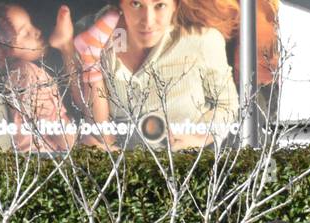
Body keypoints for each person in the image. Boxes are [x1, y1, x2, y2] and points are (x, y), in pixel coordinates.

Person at [54, 0, 238, 149]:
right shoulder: (92, 31)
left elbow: (228, 105)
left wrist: (198, 137)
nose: (148, 21)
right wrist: (67, 51)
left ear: (176, 5)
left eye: (160, 6)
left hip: (182, 170)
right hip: (115, 168)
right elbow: (81, 106)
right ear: (121, 4)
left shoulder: (202, 40)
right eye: (136, 4)